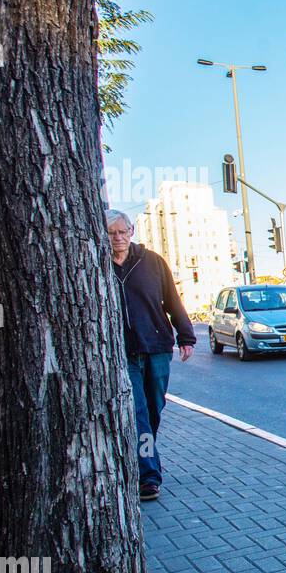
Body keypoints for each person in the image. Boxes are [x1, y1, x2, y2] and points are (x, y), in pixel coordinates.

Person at [106, 209, 195, 502]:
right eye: (111, 233)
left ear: (131, 232)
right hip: (123, 353)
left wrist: (186, 336)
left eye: (122, 232)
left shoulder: (153, 262)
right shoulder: (98, 265)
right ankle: (148, 476)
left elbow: (172, 299)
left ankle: (148, 455)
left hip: (156, 348)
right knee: (138, 413)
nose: (117, 238)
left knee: (154, 411)